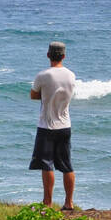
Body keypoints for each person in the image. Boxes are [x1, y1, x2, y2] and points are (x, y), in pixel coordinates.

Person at [29, 41, 76, 210]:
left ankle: (47, 203)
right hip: (65, 125)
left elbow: (33, 95)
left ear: (48, 55)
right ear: (64, 56)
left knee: (46, 164)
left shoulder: (43, 75)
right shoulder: (71, 75)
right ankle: (69, 202)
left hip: (46, 126)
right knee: (67, 165)